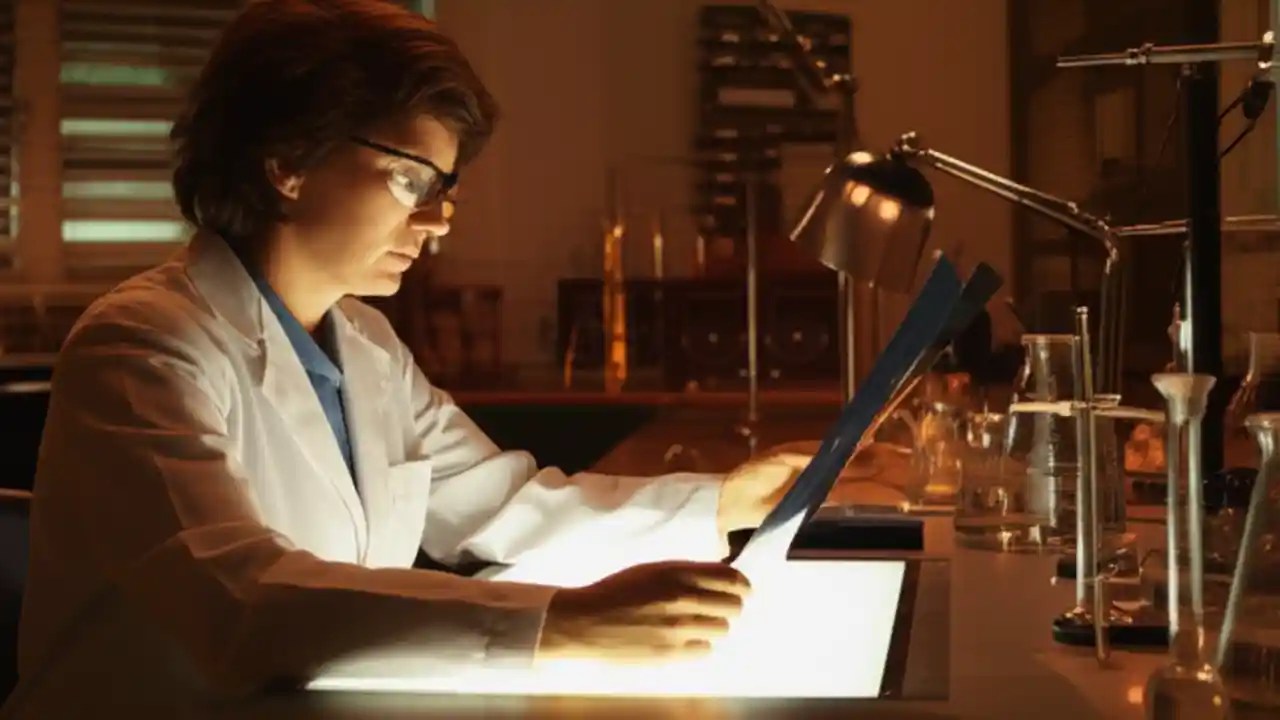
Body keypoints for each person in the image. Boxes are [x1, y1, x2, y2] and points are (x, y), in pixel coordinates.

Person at [0, 1, 825, 717]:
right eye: (409, 178)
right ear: (286, 160)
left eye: (447, 187)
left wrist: (723, 502)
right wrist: (558, 627)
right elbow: (241, 602)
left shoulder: (362, 344)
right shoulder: (142, 347)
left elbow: (501, 510)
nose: (438, 220)